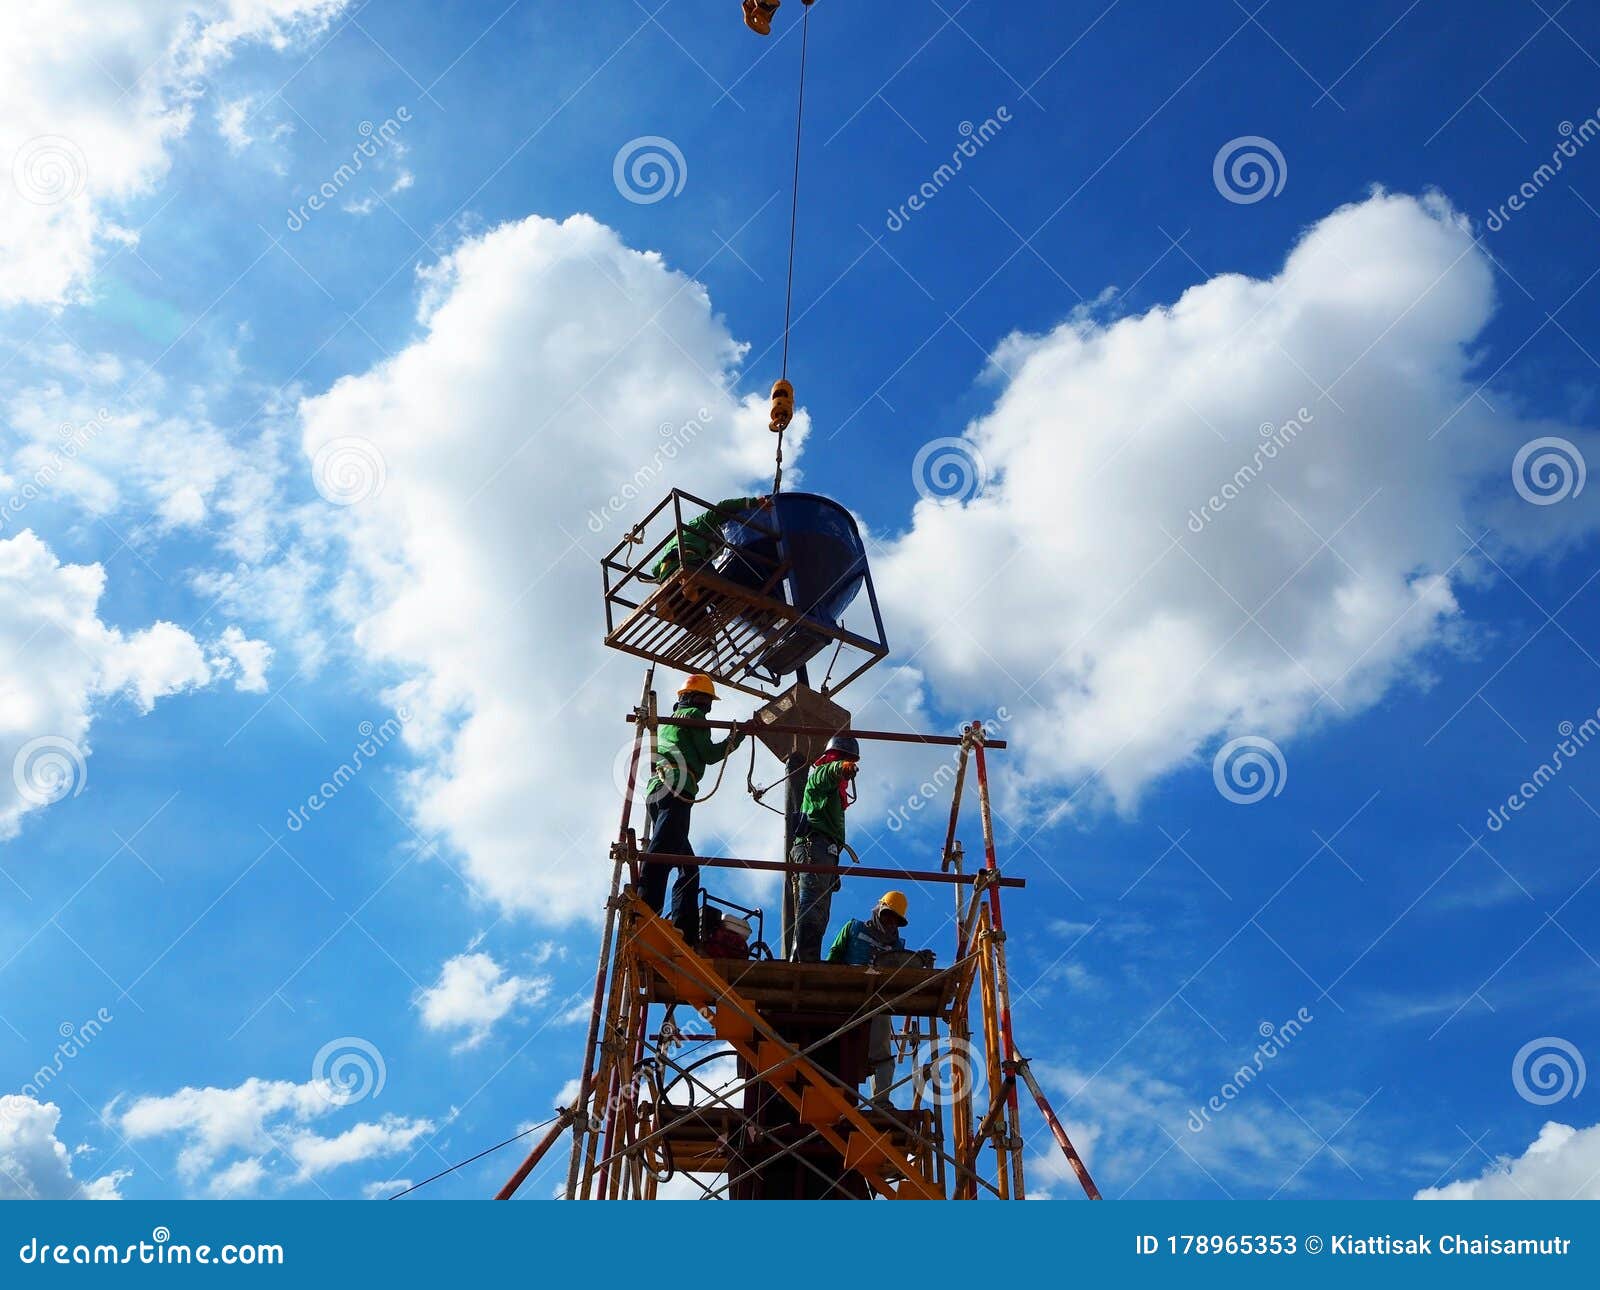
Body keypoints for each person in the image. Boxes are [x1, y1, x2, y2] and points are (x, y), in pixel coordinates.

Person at [642, 674, 745, 944]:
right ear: (697, 699)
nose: (708, 707)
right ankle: (645, 910)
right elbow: (710, 756)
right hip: (677, 788)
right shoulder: (696, 717)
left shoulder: (669, 722)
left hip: (657, 790)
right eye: (707, 700)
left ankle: (684, 932)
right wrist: (740, 735)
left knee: (688, 868)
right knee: (663, 852)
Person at [827, 891, 912, 1110]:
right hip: (847, 998)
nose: (891, 923)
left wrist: (917, 962)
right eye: (888, 916)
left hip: (877, 1001)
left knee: (881, 1051)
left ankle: (881, 1101)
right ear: (879, 910)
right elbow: (833, 957)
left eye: (895, 920)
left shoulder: (897, 947)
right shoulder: (854, 928)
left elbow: (900, 975)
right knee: (838, 1047)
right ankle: (832, 1096)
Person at [790, 733, 858, 962]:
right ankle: (805, 959)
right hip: (814, 847)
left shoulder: (833, 794)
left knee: (819, 910)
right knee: (811, 905)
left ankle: (807, 956)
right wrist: (841, 766)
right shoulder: (821, 773)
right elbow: (826, 773)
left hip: (824, 851)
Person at [647, 495, 770, 583]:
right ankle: (691, 588)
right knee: (722, 589)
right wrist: (754, 502)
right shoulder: (700, 524)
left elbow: (655, 570)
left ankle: (676, 599)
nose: (711, 554)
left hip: (668, 576)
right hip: (690, 562)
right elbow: (723, 506)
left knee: (696, 611)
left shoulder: (672, 542)